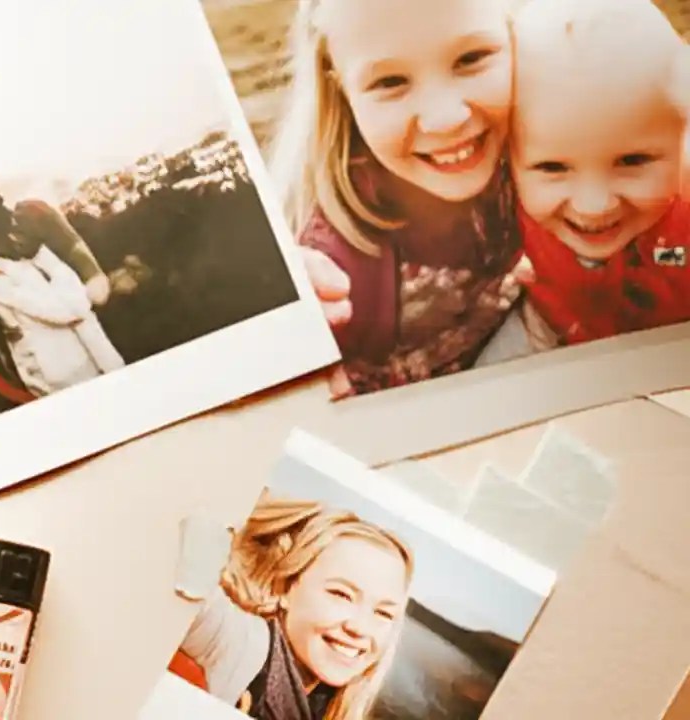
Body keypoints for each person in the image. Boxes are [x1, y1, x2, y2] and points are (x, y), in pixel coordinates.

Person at [270, 0, 523, 398]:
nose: (444, 118)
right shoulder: (336, 264)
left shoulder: (554, 155)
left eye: (471, 58)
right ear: (342, 91)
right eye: (390, 83)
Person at [496, 0, 690, 350]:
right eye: (552, 168)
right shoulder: (497, 213)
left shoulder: (684, 224)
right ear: (508, 159)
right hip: (548, 330)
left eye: (632, 161)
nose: (594, 205)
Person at [172, 494, 413, 720]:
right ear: (284, 586)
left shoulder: (324, 706)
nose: (360, 628)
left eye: (383, 613)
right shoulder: (239, 642)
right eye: (341, 594)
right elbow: (191, 527)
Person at [0, 161, 115, 407]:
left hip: (64, 345)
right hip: (59, 353)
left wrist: (91, 275)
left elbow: (73, 249)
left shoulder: (30, 216)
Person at [0, 224, 124, 399]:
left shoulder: (10, 266)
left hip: (75, 358)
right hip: (70, 367)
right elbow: (65, 311)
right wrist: (52, 265)